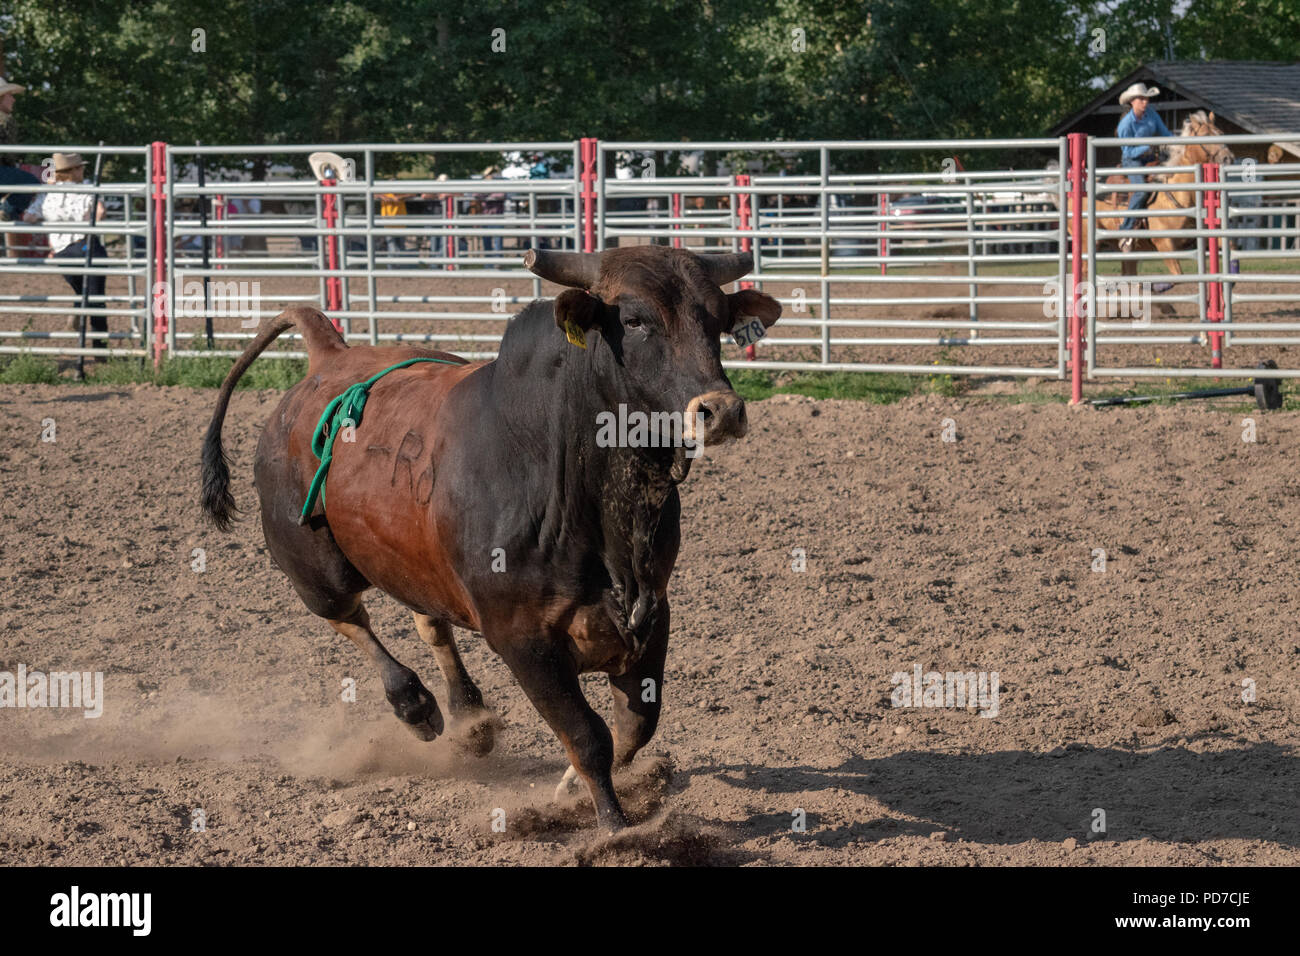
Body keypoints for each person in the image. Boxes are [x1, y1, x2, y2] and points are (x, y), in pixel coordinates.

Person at [24, 153, 110, 351]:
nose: (82, 171)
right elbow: (100, 212)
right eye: (79, 168)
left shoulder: (46, 194)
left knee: (83, 291)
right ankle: (100, 348)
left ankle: (78, 311)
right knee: (96, 299)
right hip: (87, 244)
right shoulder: (87, 187)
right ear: (71, 172)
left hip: (63, 252)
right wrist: (87, 220)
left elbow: (29, 218)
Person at [1115, 82, 1173, 252]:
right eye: (1141, 99)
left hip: (1149, 156)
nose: (1145, 102)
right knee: (1141, 190)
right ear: (1132, 101)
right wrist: (1148, 146)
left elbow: (1164, 132)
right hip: (1132, 160)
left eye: (1146, 98)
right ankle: (1125, 230)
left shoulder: (1152, 114)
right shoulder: (1125, 124)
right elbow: (1127, 150)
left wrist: (1177, 143)